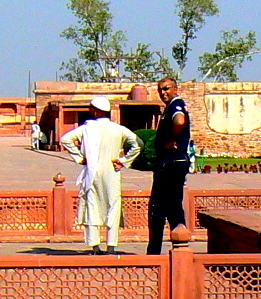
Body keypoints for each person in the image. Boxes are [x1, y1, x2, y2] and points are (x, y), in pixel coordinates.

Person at [59, 96, 142, 254]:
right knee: (113, 206)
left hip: (93, 172)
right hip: (112, 171)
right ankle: (111, 247)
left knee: (92, 206)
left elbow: (66, 139)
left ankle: (95, 246)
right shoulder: (118, 129)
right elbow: (138, 144)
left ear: (96, 111)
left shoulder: (87, 128)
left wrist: (80, 158)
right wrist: (124, 160)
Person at [147, 77, 192, 254]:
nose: (163, 93)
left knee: (157, 208)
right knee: (174, 205)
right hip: (178, 161)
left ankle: (154, 253)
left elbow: (179, 121)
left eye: (166, 89)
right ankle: (181, 247)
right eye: (160, 90)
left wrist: (171, 138)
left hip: (170, 162)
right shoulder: (171, 106)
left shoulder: (176, 105)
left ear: (175, 89)